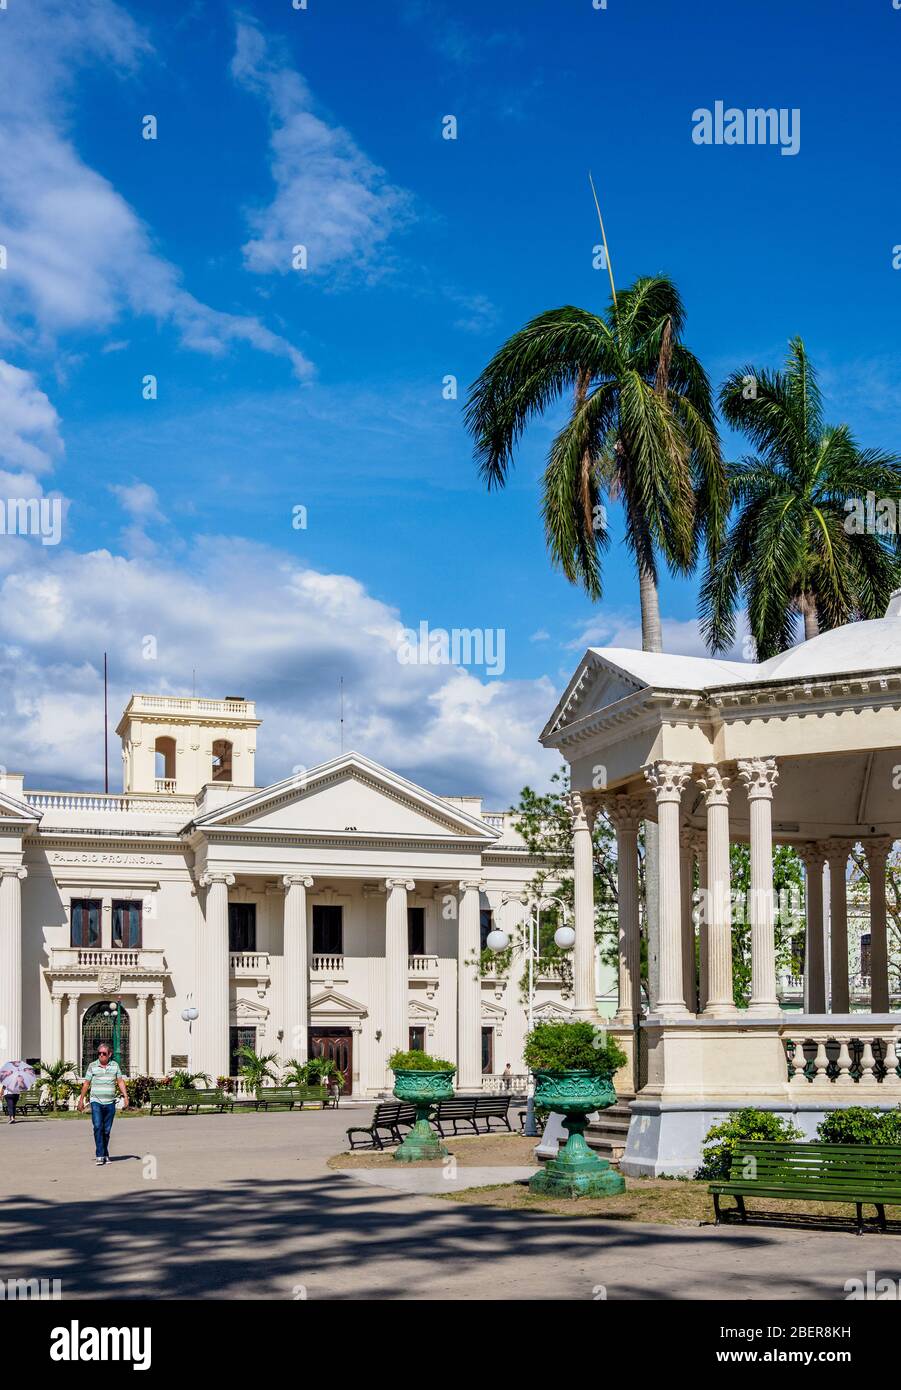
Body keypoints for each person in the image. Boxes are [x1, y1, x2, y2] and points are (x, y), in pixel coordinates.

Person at [77, 1044, 128, 1165]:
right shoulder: (92, 1066)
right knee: (98, 1127)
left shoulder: (115, 1066)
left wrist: (126, 1096)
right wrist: (81, 1100)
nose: (101, 1055)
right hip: (96, 1101)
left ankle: (105, 1154)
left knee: (106, 1130)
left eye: (104, 1053)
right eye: (99, 1053)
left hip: (110, 1103)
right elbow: (86, 1083)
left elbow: (120, 1081)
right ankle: (100, 1155)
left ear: (109, 1054)